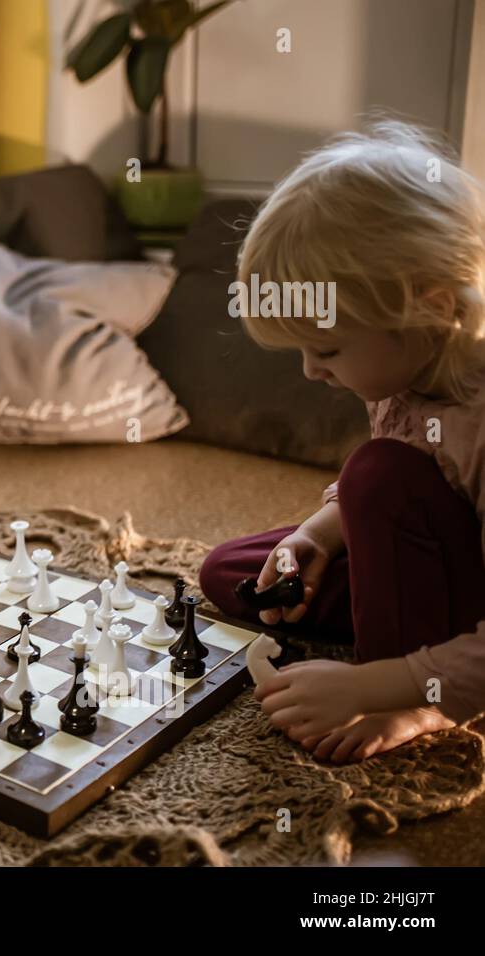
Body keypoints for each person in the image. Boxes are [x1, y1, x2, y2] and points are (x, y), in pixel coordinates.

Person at [199, 121, 485, 762]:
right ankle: (392, 648)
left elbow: (391, 487)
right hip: (439, 568)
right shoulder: (411, 359)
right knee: (233, 575)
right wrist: (316, 535)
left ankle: (422, 699)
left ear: (431, 310)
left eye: (325, 349)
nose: (310, 371)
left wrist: (373, 687)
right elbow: (397, 503)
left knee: (377, 472)